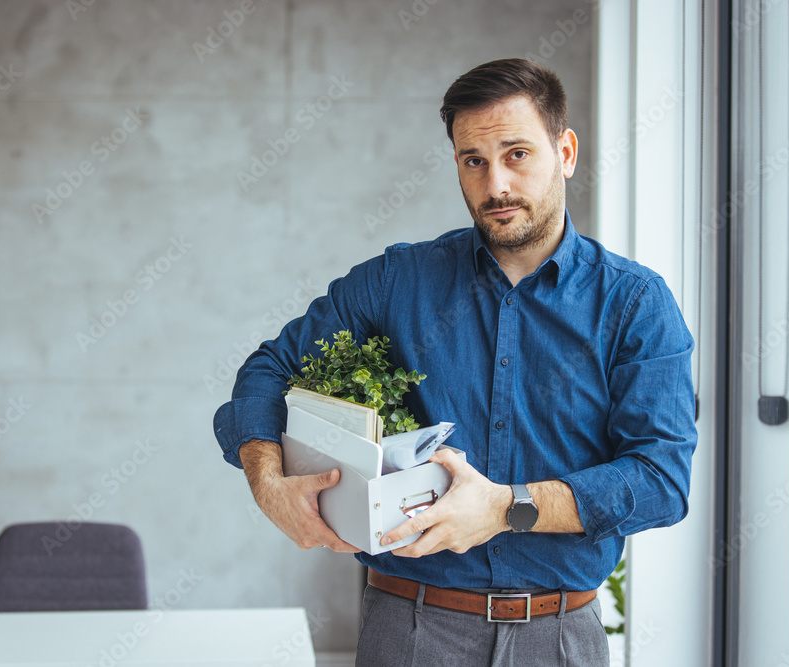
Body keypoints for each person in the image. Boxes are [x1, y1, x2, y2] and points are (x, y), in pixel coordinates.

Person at [213, 58, 697, 666]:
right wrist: (267, 481)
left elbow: (660, 481)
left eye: (517, 154)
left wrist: (506, 506)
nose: (495, 184)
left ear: (565, 152)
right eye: (474, 160)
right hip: (408, 629)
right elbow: (267, 370)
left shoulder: (634, 304)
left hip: (561, 638)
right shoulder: (397, 280)